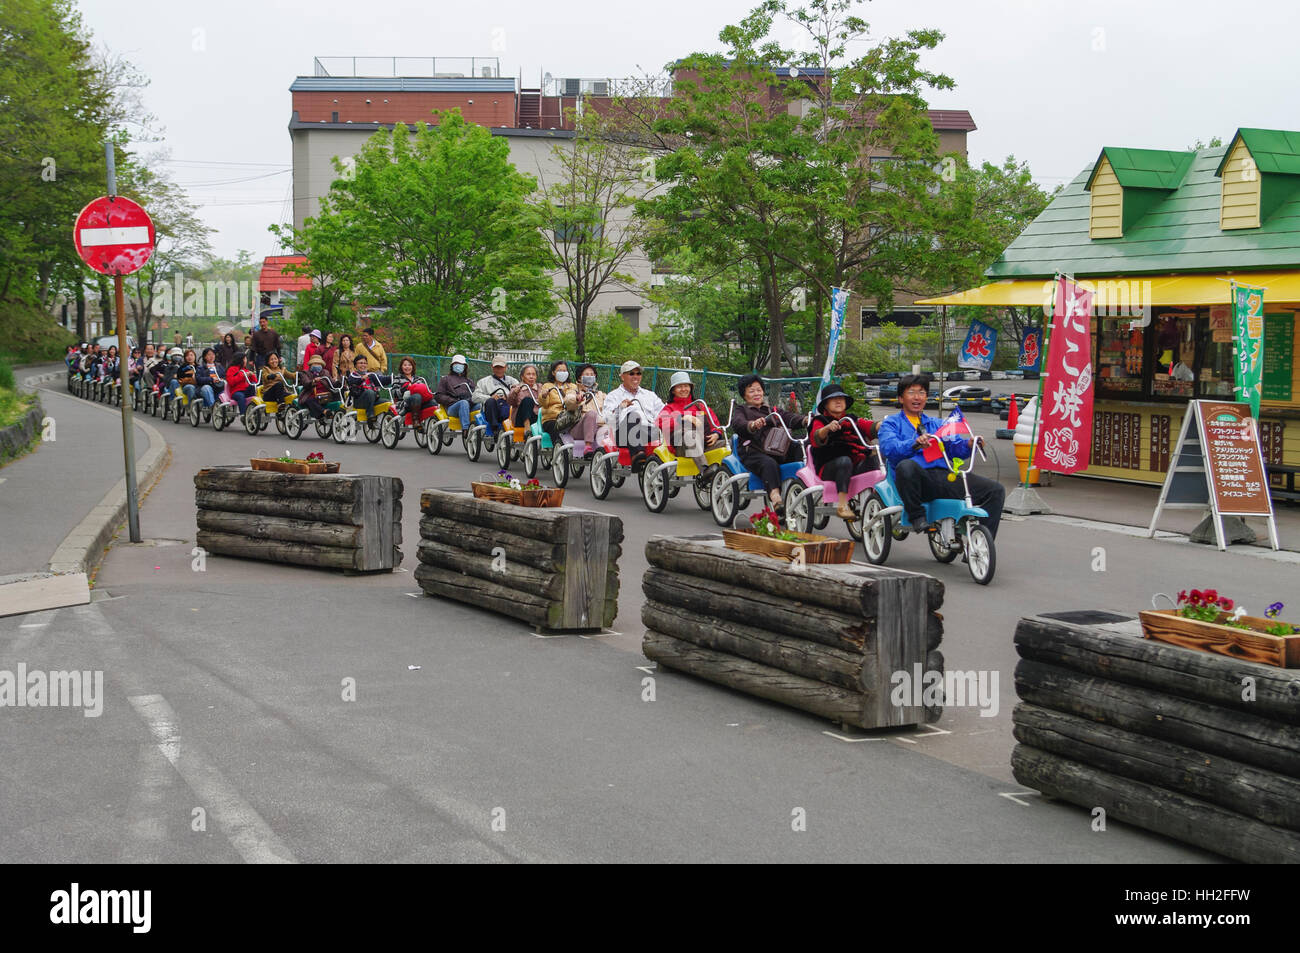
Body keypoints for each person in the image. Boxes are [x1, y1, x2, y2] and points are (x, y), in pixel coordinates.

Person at [877, 373, 1005, 538]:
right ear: (901, 398)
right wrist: (915, 443)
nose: (917, 397)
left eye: (922, 392)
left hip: (943, 477)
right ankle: (916, 515)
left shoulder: (938, 424)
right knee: (906, 466)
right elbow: (890, 450)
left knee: (996, 490)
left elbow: (955, 449)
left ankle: (981, 544)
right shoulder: (891, 423)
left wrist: (969, 444)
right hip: (914, 482)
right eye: (911, 392)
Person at [729, 373, 803, 511]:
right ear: (744, 395)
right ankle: (775, 497)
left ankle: (802, 485)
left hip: (776, 448)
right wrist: (752, 425)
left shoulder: (772, 410)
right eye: (751, 391)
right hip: (753, 451)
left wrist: (805, 420)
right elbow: (738, 423)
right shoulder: (742, 410)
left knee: (799, 446)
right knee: (769, 463)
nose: (756, 393)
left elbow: (789, 417)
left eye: (759, 390)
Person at [809, 383, 880, 520]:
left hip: (854, 465)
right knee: (844, 460)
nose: (838, 401)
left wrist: (881, 425)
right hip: (829, 467)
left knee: (877, 457)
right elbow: (816, 436)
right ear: (825, 404)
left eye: (841, 398)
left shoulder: (851, 420)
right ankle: (842, 504)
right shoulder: (820, 420)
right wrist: (827, 428)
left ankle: (879, 499)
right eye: (833, 399)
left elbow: (868, 426)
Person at [601, 359, 664, 469]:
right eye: (631, 373)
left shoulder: (650, 395)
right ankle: (637, 454)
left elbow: (663, 413)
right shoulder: (613, 396)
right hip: (623, 435)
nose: (636, 376)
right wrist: (620, 408)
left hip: (647, 432)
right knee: (633, 415)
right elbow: (608, 419)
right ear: (622, 376)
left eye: (638, 373)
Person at [656, 370, 723, 473]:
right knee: (691, 436)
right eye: (679, 387)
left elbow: (715, 423)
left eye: (686, 386)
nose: (683, 389)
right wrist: (683, 417)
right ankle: (705, 471)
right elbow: (661, 422)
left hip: (704, 444)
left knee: (731, 442)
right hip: (681, 446)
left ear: (690, 388)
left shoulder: (700, 405)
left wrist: (716, 434)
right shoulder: (669, 408)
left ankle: (731, 476)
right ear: (673, 391)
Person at [562, 364, 606, 457]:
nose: (590, 377)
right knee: (591, 414)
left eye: (592, 374)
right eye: (587, 374)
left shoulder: (600, 394)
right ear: (579, 378)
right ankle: (588, 446)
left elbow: (611, 405)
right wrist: (577, 399)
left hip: (598, 428)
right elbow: (569, 401)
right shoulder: (574, 392)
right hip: (578, 429)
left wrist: (623, 404)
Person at [472, 356, 518, 436]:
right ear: (492, 367)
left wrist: (508, 397)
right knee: (491, 401)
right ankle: (494, 427)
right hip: (491, 410)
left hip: (507, 408)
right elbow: (474, 397)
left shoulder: (513, 381)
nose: (499, 370)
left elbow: (520, 393)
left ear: (505, 367)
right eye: (497, 367)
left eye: (501, 367)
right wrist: (490, 397)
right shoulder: (483, 382)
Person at [538, 361, 580, 446]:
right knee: (553, 426)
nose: (563, 373)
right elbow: (544, 404)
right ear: (553, 372)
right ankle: (558, 448)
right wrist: (544, 396)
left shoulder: (573, 387)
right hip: (553, 418)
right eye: (560, 371)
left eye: (565, 371)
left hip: (569, 417)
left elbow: (577, 403)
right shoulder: (547, 386)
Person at [434, 353, 475, 431]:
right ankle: (465, 429)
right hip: (452, 407)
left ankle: (482, 430)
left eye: (461, 364)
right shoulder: (445, 379)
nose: (458, 365)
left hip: (468, 406)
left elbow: (475, 394)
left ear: (465, 366)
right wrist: (455, 400)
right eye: (456, 363)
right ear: (452, 365)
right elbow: (438, 396)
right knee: (463, 403)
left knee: (480, 405)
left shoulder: (469, 381)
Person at [344, 353, 391, 420]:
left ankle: (386, 424)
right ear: (355, 365)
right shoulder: (352, 375)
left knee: (387, 403)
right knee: (370, 392)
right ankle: (370, 415)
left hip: (373, 400)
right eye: (360, 363)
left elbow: (382, 380)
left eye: (365, 363)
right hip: (358, 401)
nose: (363, 365)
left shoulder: (371, 375)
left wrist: (392, 378)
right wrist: (362, 379)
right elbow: (352, 383)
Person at [392, 356, 434, 423]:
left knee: (433, 402)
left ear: (413, 367)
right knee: (417, 396)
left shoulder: (418, 379)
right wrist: (405, 388)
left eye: (409, 365)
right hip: (404, 403)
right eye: (405, 365)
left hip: (420, 403)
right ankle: (415, 421)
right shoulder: (397, 378)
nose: (407, 367)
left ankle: (433, 423)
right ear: (401, 367)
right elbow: (394, 393)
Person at [300, 356, 333, 420]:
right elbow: (306, 383)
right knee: (310, 400)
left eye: (318, 364)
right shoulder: (305, 373)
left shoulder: (325, 372)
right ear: (311, 365)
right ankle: (324, 412)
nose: (317, 365)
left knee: (337, 396)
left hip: (325, 395)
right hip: (311, 394)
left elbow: (332, 382)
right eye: (315, 363)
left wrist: (340, 383)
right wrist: (313, 381)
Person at [508, 364, 541, 429]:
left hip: (537, 417)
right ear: (522, 377)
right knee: (527, 400)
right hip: (520, 419)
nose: (531, 377)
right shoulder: (516, 387)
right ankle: (527, 428)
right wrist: (514, 392)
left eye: (533, 374)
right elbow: (510, 402)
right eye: (528, 374)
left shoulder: (540, 387)